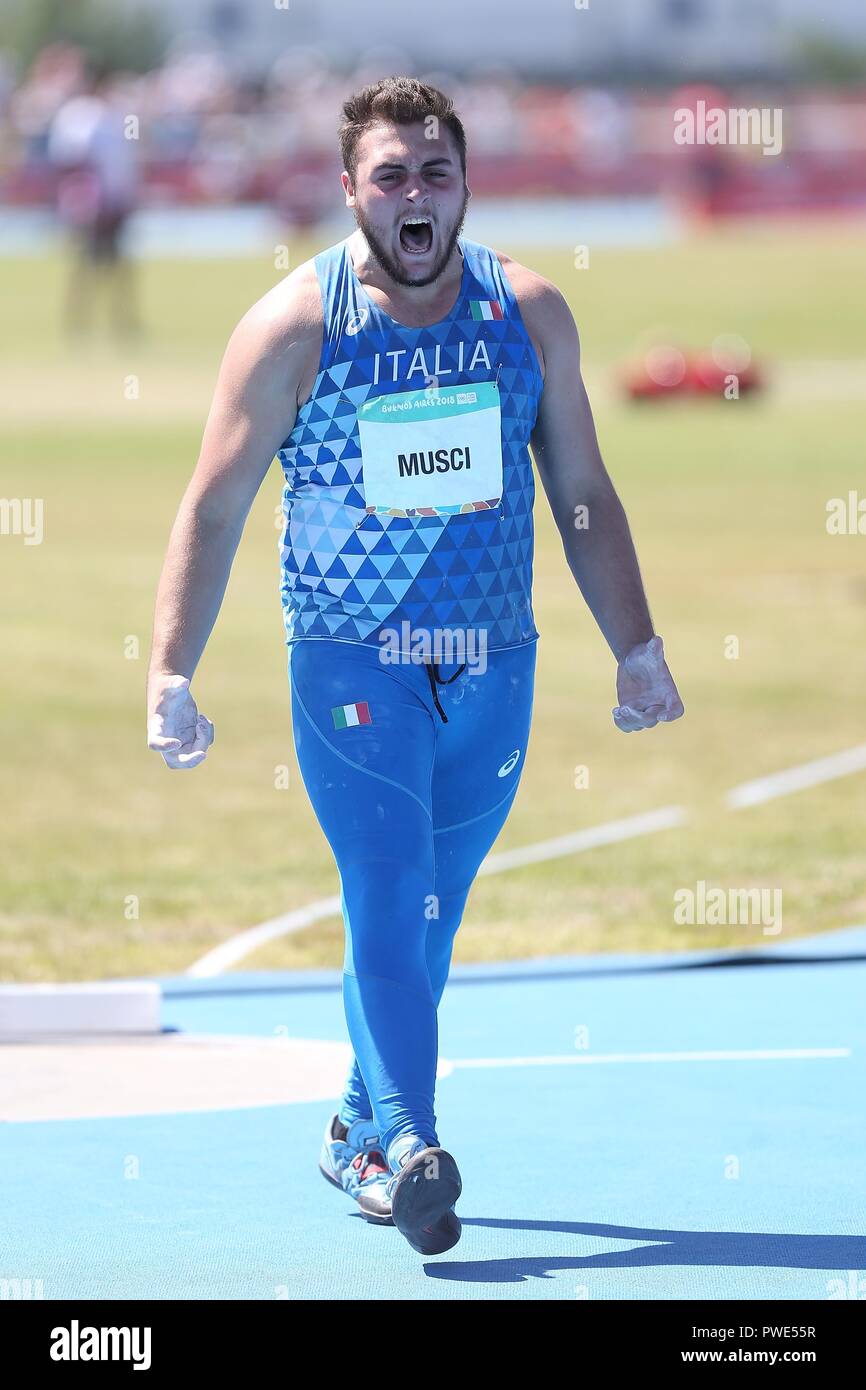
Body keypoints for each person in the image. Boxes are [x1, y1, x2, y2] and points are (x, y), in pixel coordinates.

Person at [147, 77, 684, 1257]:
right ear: (348, 190)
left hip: (492, 663)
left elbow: (582, 495)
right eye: (388, 175)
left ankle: (353, 1128)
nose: (413, 196)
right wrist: (170, 669)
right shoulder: (295, 327)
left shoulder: (527, 314)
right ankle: (411, 1146)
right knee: (386, 895)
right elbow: (216, 502)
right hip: (353, 662)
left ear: (463, 186)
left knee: (427, 925)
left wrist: (634, 648)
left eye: (433, 173)